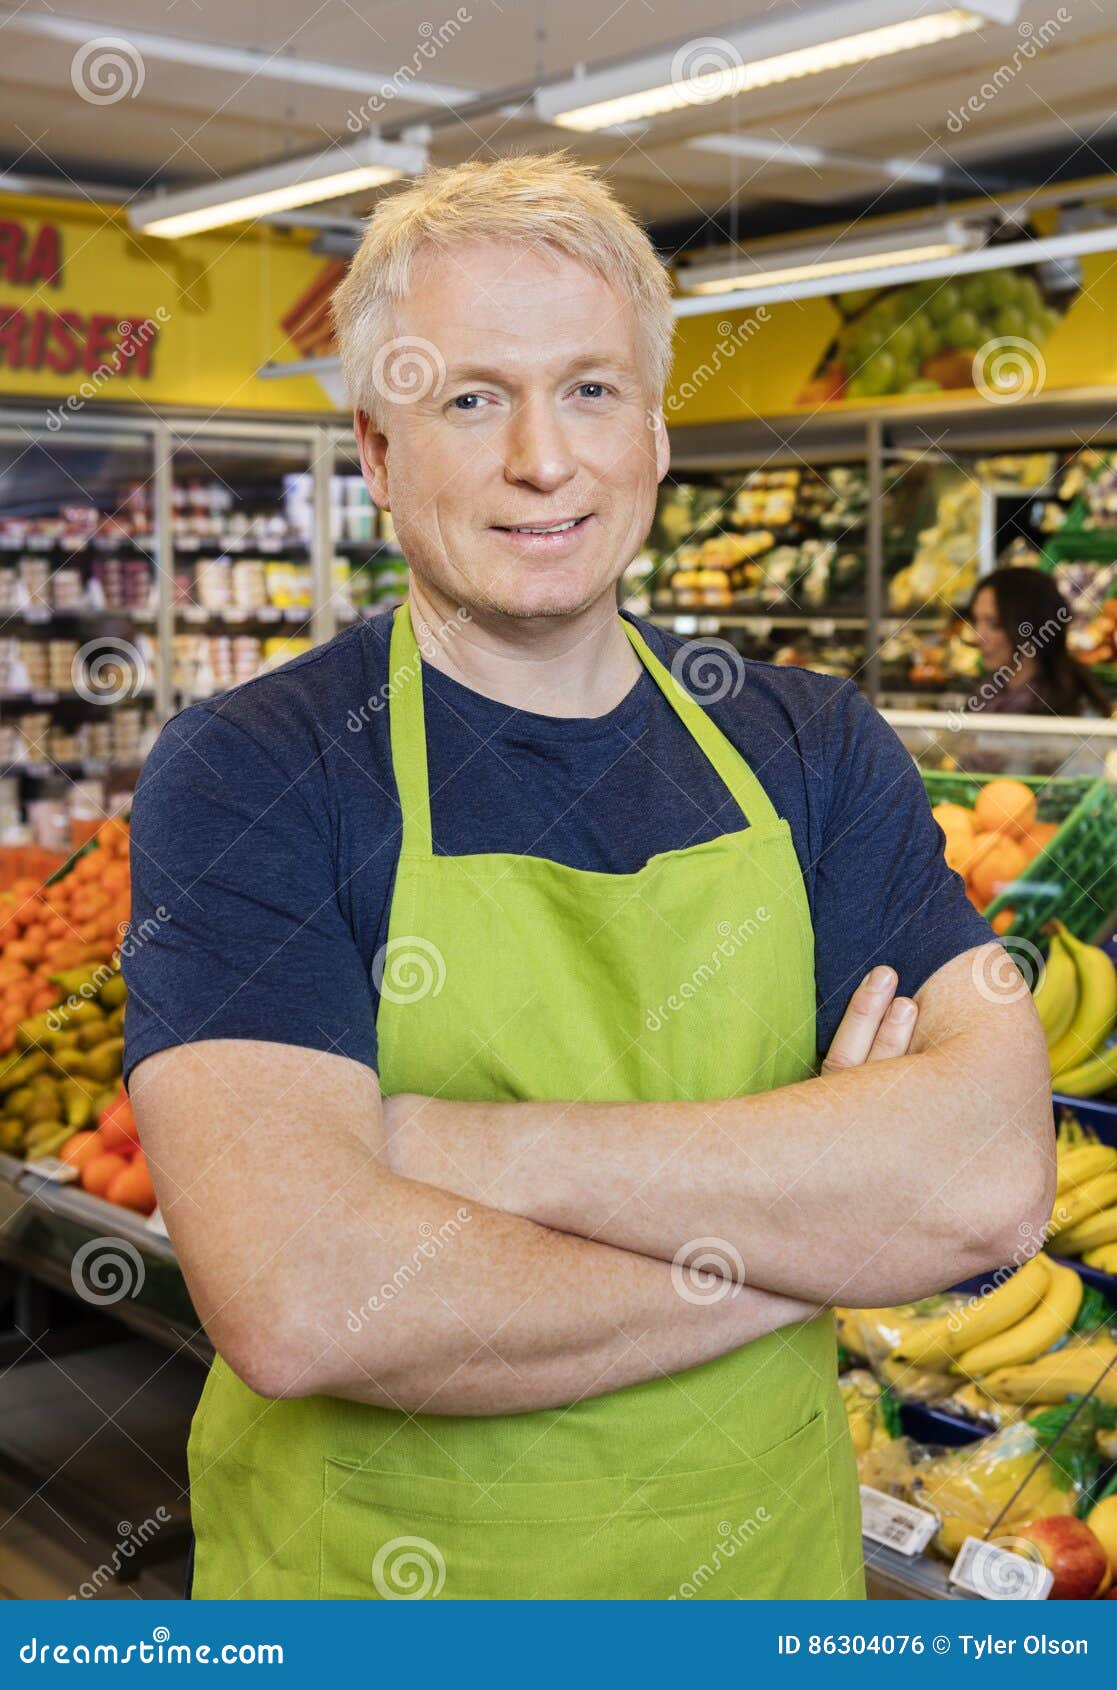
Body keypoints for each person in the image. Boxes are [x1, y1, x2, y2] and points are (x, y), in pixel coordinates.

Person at [122, 151, 1053, 1602]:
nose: (541, 459)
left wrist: (452, 1152)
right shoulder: (256, 768)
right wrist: (827, 1223)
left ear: (657, 434)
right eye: (471, 397)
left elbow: (987, 1179)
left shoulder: (814, 750)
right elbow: (306, 1298)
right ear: (377, 453)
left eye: (592, 389)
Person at [967, 566, 1114, 717]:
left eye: (994, 623)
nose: (976, 637)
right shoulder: (984, 697)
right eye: (976, 621)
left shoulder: (1077, 709)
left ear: (1030, 625)